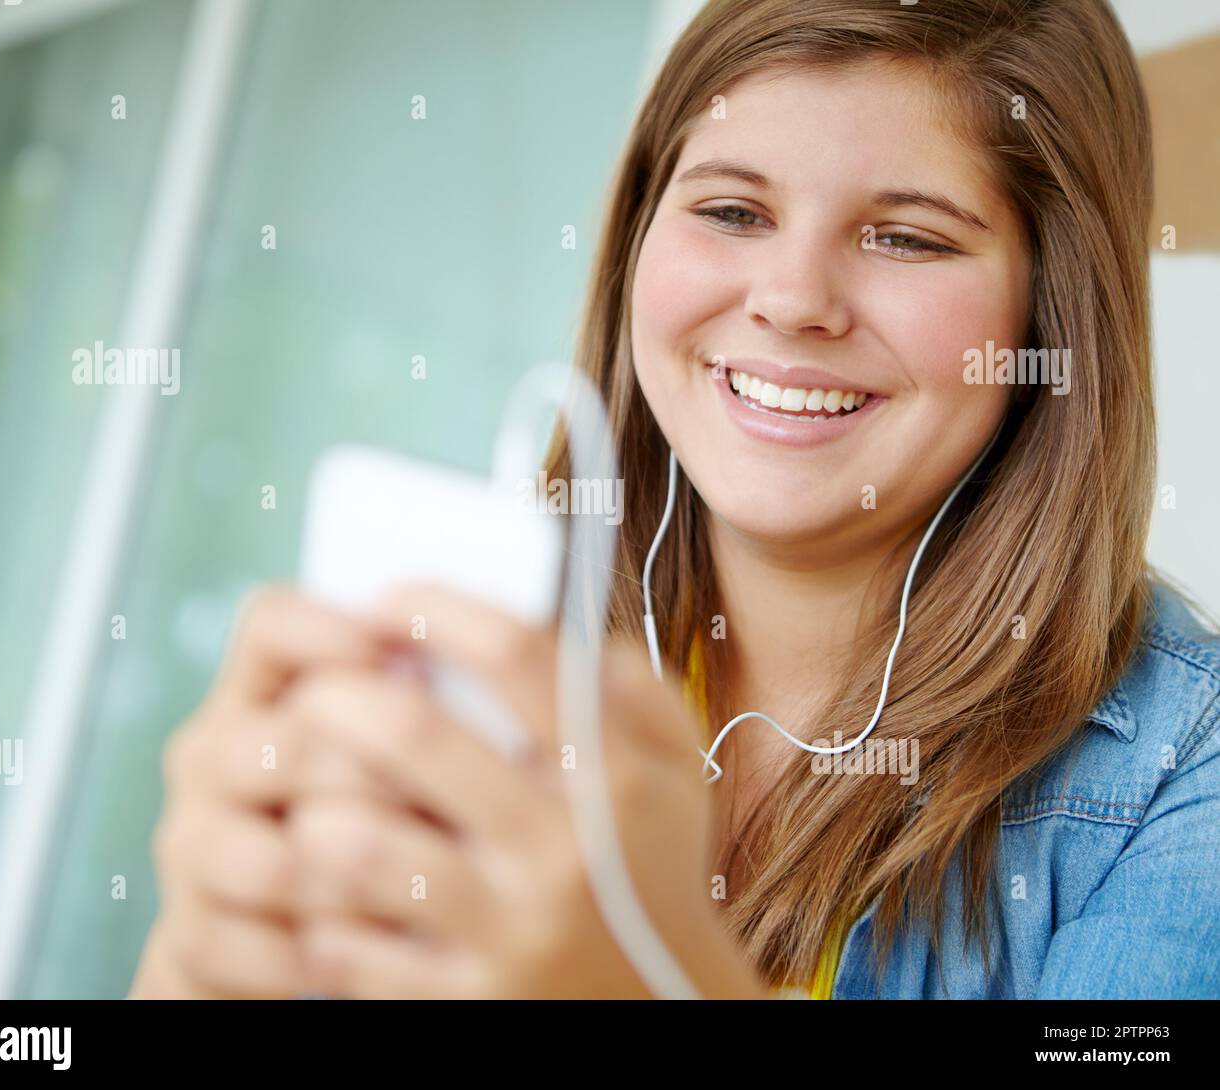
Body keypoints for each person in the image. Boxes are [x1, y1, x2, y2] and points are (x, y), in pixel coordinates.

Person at [129, 0, 1220, 999]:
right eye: (734, 211)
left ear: (1050, 315)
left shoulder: (1184, 775)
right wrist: (195, 963)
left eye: (905, 236)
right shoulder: (457, 646)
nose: (793, 301)